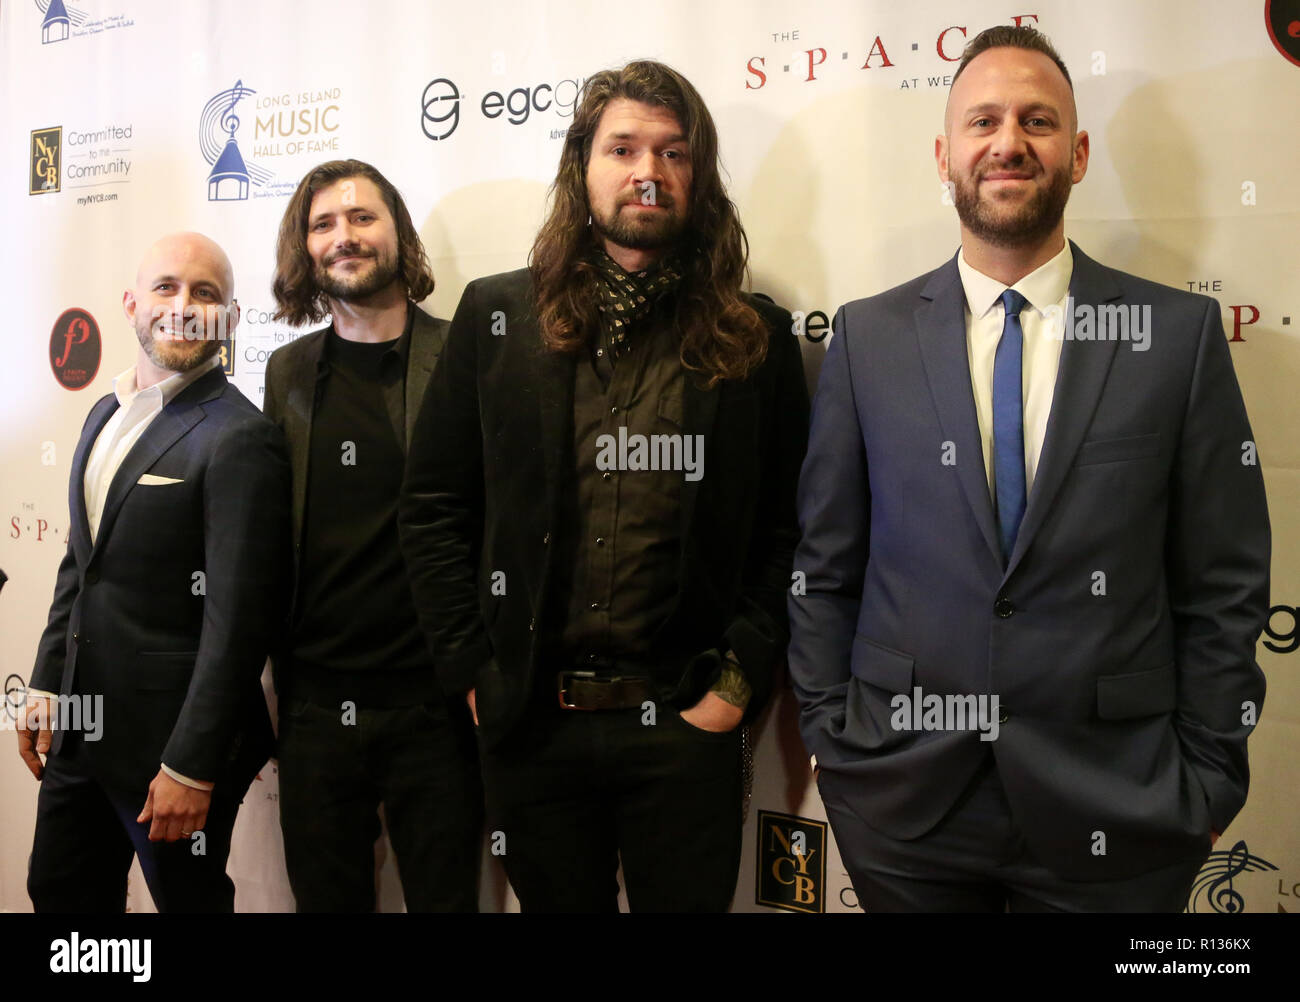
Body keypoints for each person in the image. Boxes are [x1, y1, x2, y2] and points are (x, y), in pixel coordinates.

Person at [788, 25, 1270, 912]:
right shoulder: (867, 339)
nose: (1008, 142)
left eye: (1037, 121)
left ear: (1078, 154)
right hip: (905, 808)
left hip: (1118, 808)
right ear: (945, 153)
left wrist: (1207, 779)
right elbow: (826, 567)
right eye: (983, 122)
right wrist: (834, 744)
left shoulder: (1176, 338)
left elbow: (1225, 582)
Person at [398, 60, 809, 912]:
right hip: (531, 724)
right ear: (583, 168)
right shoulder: (496, 318)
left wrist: (736, 684)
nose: (647, 172)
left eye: (672, 152)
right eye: (622, 148)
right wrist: (474, 669)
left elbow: (788, 531)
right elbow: (435, 507)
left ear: (699, 178)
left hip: (684, 723)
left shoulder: (755, 336)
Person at [21, 232, 290, 912]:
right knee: (58, 894)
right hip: (82, 734)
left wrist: (192, 764)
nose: (183, 306)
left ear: (229, 321)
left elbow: (238, 620)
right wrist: (50, 683)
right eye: (167, 287)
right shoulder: (102, 413)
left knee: (188, 904)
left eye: (206, 294)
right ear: (131, 302)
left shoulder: (239, 436)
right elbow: (79, 569)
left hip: (174, 752)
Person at [264, 160, 482, 912]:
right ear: (304, 245)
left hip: (438, 708)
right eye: (323, 223)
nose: (344, 236)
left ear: (398, 233)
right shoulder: (287, 374)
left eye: (363, 217)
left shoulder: (464, 355)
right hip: (315, 711)